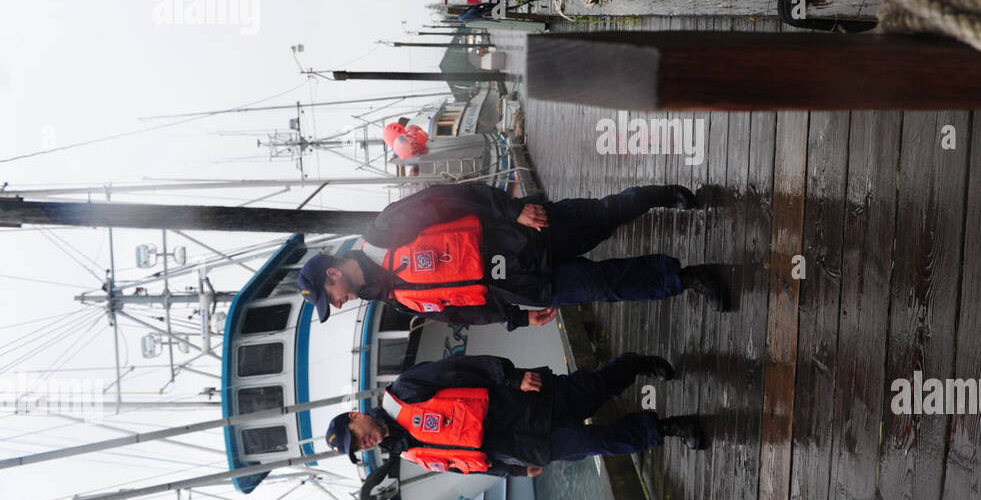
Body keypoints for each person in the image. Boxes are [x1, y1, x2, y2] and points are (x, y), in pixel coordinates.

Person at [298, 182, 729, 330]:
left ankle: (660, 196)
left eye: (329, 294)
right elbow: (459, 316)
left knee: (603, 216)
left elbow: (452, 198)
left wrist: (512, 208)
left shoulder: (385, 229)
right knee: (607, 285)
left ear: (333, 271)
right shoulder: (390, 297)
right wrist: (517, 318)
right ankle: (687, 278)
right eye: (330, 304)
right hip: (526, 286)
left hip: (525, 235)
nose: (336, 303)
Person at [325, 352, 705, 476]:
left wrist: (511, 376)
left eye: (356, 434)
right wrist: (515, 471)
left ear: (357, 416)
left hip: (525, 402)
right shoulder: (411, 454)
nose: (365, 442)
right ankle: (667, 428)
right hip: (526, 445)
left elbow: (462, 368)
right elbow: (470, 465)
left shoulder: (404, 392)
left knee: (595, 391)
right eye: (359, 447)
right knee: (597, 441)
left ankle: (635, 364)